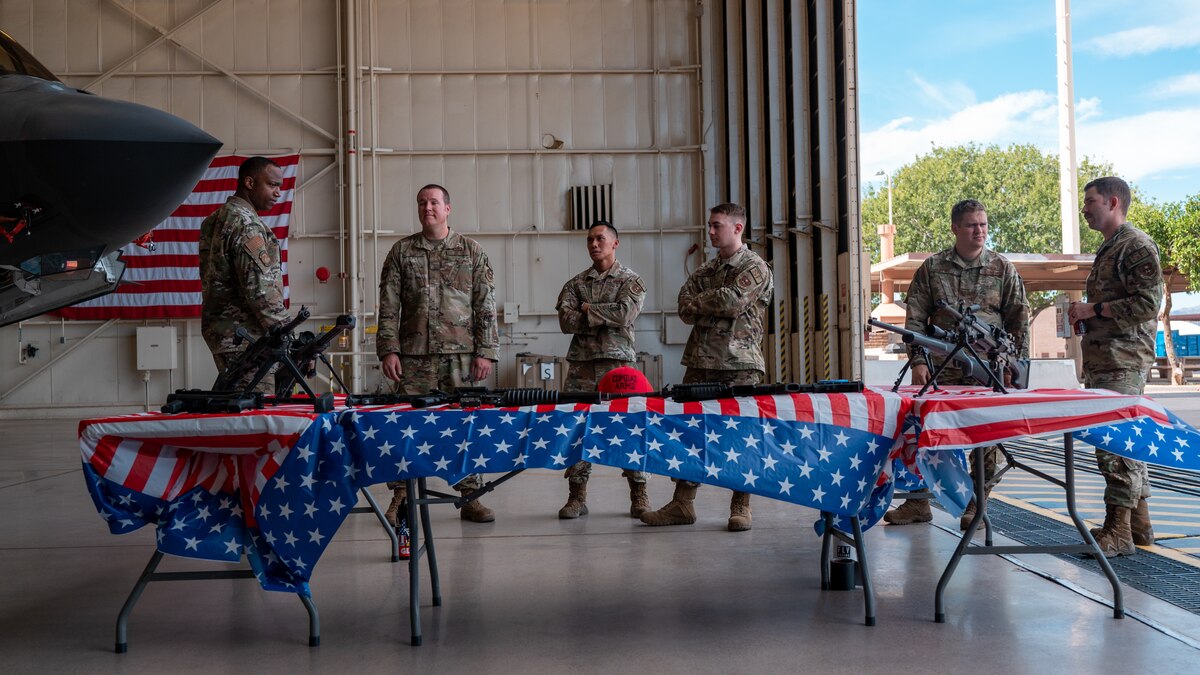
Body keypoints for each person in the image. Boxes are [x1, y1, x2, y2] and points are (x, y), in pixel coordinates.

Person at [883, 199, 1030, 529]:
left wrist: (1015, 365)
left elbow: (1019, 319)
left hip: (989, 368)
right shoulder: (933, 268)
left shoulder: (1002, 268)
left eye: (983, 224)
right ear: (955, 228)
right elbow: (916, 318)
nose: (980, 230)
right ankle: (919, 501)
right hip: (941, 367)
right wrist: (918, 360)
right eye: (971, 225)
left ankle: (977, 505)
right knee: (928, 434)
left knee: (986, 439)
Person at [639, 202, 773, 532]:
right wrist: (712, 300)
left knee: (741, 435)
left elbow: (733, 302)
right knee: (689, 432)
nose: (710, 231)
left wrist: (704, 300)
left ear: (737, 228)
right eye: (710, 225)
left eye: (717, 225)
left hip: (740, 363)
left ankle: (741, 505)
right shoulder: (705, 270)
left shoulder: (755, 267)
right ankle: (682, 503)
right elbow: (683, 308)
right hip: (700, 363)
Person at [376, 183, 500, 525]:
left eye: (433, 202)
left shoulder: (471, 251)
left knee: (463, 425)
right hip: (413, 358)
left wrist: (486, 352)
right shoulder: (402, 252)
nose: (427, 207)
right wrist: (388, 349)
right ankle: (401, 497)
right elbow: (389, 307)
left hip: (461, 357)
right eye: (422, 202)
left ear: (447, 208)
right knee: (407, 427)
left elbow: (485, 306)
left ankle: (470, 496)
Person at [1069, 176, 1162, 557]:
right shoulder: (1111, 247)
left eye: (1090, 201)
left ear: (1112, 202)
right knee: (1126, 441)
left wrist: (1094, 309)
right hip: (1106, 360)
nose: (1084, 209)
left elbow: (1148, 304)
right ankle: (1138, 525)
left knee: (1116, 444)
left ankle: (1118, 531)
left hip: (1123, 361)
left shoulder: (1135, 245)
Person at [555, 220, 651, 519]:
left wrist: (587, 309)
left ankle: (639, 494)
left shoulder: (630, 281)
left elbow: (625, 314)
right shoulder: (576, 284)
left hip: (618, 366)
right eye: (589, 240)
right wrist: (603, 314)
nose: (594, 244)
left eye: (600, 239)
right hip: (582, 366)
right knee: (578, 429)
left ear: (615, 243)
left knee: (629, 427)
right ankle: (577, 497)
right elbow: (565, 321)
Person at [199, 156, 290, 393]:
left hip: (225, 334)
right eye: (272, 184)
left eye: (280, 186)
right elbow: (261, 290)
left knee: (237, 403)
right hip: (248, 339)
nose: (278, 193)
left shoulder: (215, 219)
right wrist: (288, 335)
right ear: (250, 182)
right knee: (256, 408)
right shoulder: (246, 224)